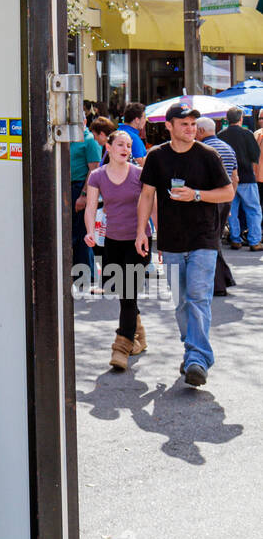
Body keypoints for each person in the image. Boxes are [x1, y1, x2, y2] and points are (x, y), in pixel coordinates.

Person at [135, 104, 233, 388]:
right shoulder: (157, 157)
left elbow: (228, 192)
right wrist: (142, 232)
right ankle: (193, 352)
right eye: (184, 124)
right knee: (181, 303)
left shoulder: (208, 155)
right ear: (169, 126)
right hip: (171, 241)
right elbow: (147, 195)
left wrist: (196, 195)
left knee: (198, 297)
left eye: (193, 124)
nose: (190, 129)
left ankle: (197, 359)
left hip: (204, 238)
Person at [84, 129, 151, 370]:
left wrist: (160, 236)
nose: (126, 149)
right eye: (121, 144)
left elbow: (151, 206)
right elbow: (91, 208)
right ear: (109, 148)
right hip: (112, 241)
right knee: (122, 292)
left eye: (129, 146)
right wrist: (90, 231)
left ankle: (122, 347)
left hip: (139, 240)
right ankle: (139, 336)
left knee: (128, 293)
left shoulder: (141, 174)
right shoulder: (97, 176)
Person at [195, 117, 238, 296]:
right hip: (225, 200)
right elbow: (235, 177)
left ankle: (220, 283)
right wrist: (230, 199)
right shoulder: (228, 148)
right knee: (214, 240)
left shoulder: (205, 151)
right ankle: (224, 278)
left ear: (202, 131)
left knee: (211, 242)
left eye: (196, 129)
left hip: (210, 200)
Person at [218, 106, 262, 251]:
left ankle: (235, 239)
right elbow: (255, 155)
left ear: (227, 119)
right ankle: (255, 241)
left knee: (232, 210)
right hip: (247, 177)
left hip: (228, 179)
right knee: (253, 210)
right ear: (241, 119)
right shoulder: (247, 134)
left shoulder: (221, 135)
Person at [71, 113, 102, 293]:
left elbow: (94, 170)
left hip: (80, 188)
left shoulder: (89, 140)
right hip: (67, 189)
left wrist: (84, 195)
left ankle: (85, 276)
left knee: (82, 235)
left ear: (84, 122)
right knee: (73, 235)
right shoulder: (68, 140)